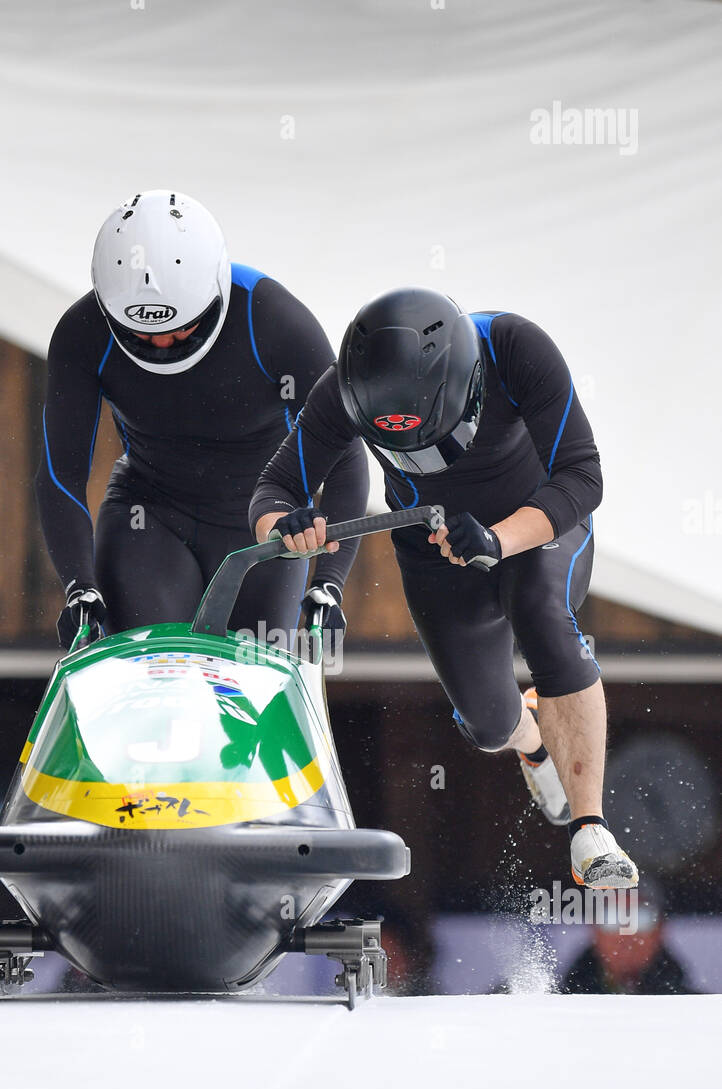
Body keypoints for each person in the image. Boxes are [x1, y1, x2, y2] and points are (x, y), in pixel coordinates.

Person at [250, 287, 638, 891]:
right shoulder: (342, 390)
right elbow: (275, 488)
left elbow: (583, 478)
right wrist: (287, 526)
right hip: (435, 555)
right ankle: (534, 740)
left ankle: (590, 831)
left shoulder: (516, 348)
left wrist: (499, 540)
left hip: (538, 529)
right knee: (487, 726)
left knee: (540, 613)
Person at [35, 189, 367, 650]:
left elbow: (345, 452)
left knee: (249, 686)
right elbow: (60, 471)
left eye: (179, 329)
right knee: (151, 670)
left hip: (263, 526)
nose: (163, 345)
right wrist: (79, 586)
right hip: (147, 518)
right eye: (143, 334)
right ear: (112, 312)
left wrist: (329, 583)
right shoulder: (81, 333)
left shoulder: (274, 320)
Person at [560, 876, 696, 993]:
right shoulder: (555, 1011)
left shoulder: (699, 1014)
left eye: (640, 918)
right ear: (593, 927)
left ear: (660, 928)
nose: (626, 933)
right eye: (612, 918)